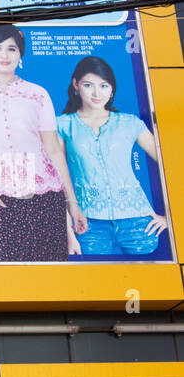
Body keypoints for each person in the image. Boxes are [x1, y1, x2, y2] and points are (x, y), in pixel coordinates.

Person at [0, 24, 87, 260]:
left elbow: (53, 151)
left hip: (47, 197)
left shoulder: (37, 93)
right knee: (9, 278)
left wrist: (72, 204)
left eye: (11, 49)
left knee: (52, 276)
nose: (4, 55)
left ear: (20, 54)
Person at [55, 55, 168, 256]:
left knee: (145, 284)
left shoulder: (130, 123)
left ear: (112, 89)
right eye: (89, 85)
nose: (97, 93)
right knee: (94, 285)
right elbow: (56, 181)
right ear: (76, 85)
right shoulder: (63, 125)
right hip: (88, 224)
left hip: (139, 221)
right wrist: (67, 232)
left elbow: (173, 165)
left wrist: (171, 216)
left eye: (104, 86)